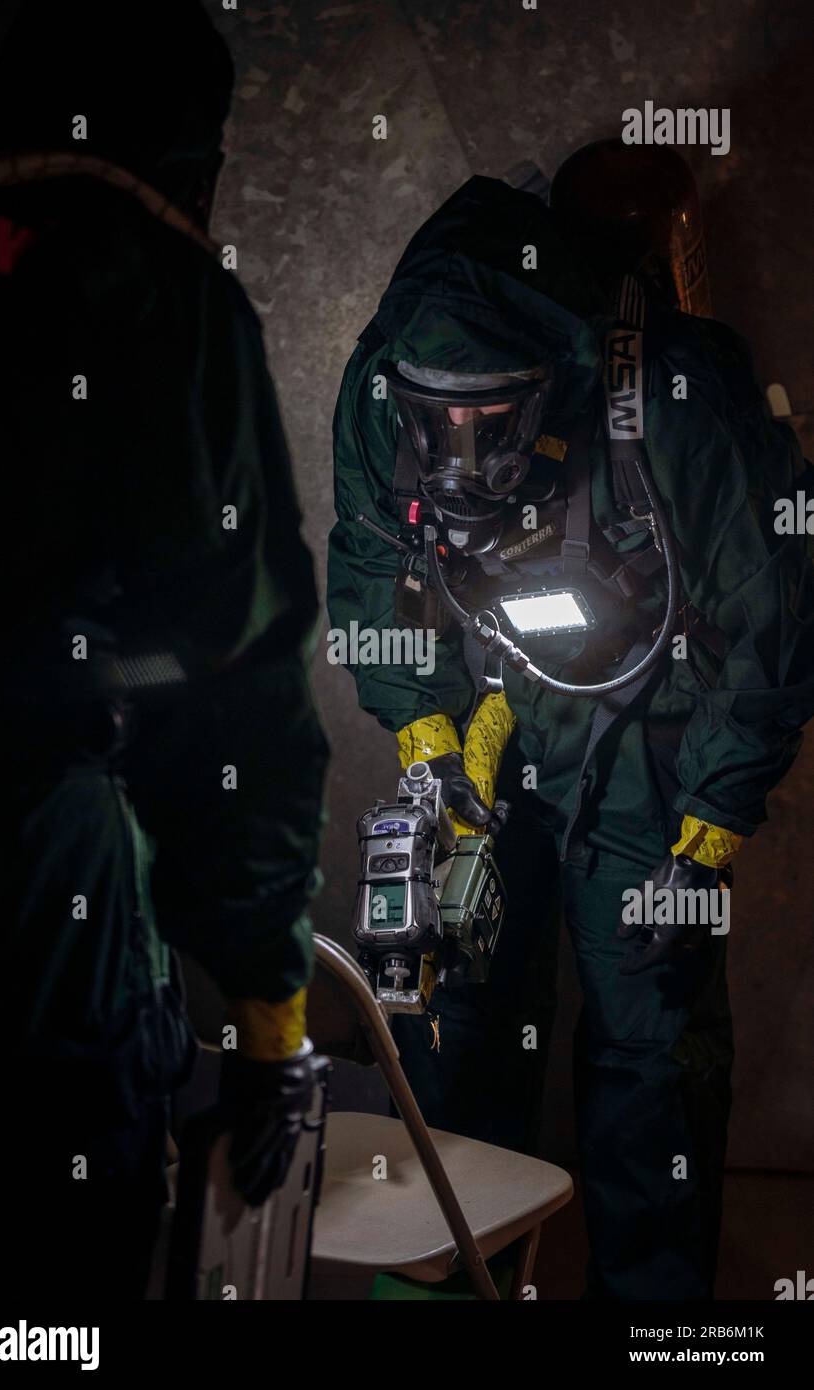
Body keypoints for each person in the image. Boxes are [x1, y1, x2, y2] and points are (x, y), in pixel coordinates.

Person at [327, 170, 814, 1299]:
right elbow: (367, 577)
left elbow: (776, 619)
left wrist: (711, 822)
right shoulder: (373, 389)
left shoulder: (677, 400)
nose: (455, 446)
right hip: (495, 721)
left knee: (652, 1036)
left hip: (656, 740)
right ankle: (467, 1270)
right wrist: (433, 740)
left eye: (489, 413)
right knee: (459, 1008)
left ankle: (652, 1314)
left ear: (554, 378)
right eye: (433, 414)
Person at [0, 0, 328, 1299]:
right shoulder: (161, 296)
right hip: (30, 876)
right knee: (57, 1241)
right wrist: (268, 1015)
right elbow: (238, 682)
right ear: (193, 161)